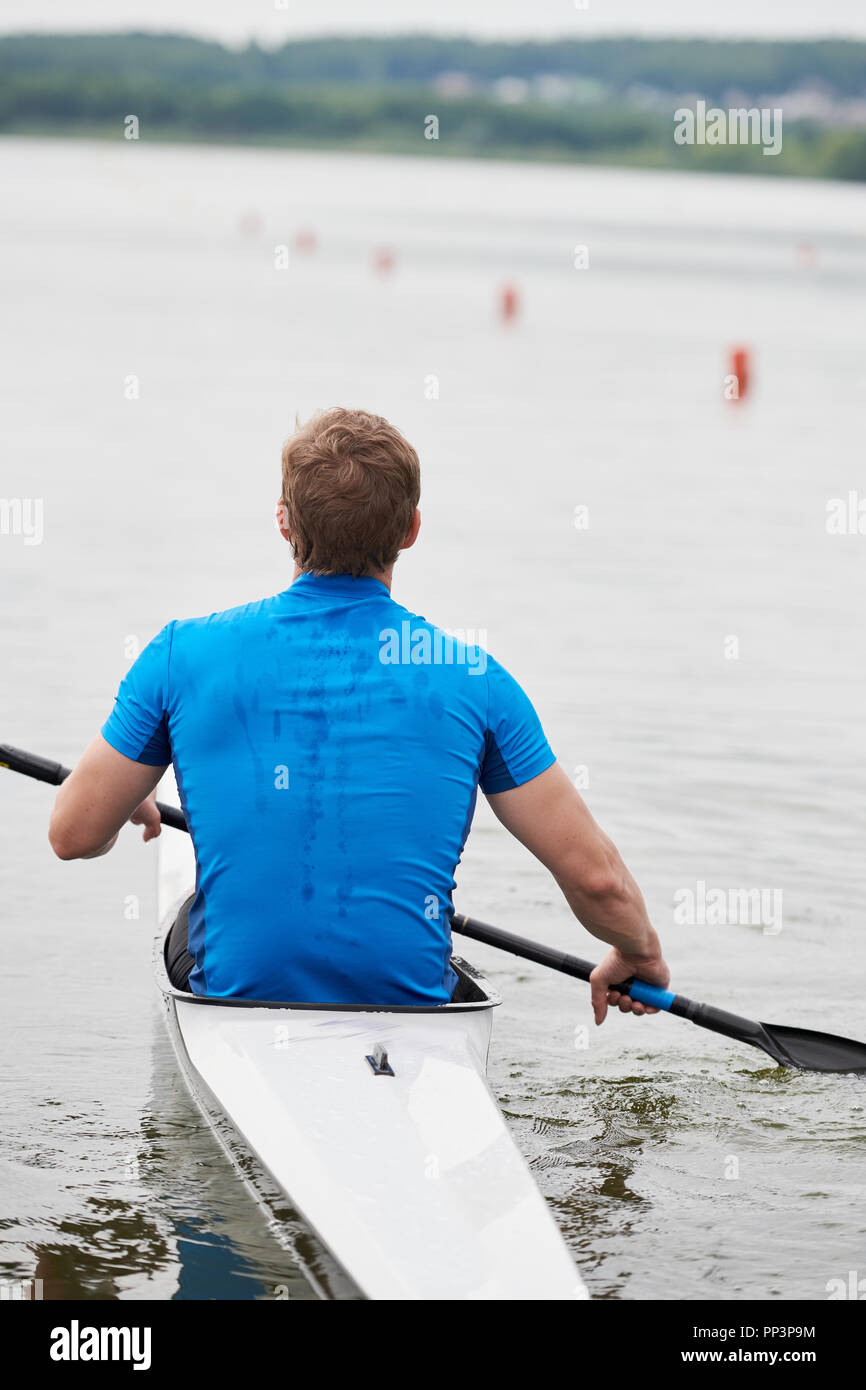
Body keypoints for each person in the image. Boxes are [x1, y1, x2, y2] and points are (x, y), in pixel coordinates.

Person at [49, 407, 669, 1019]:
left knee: (195, 907)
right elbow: (598, 881)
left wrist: (118, 803)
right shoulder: (479, 682)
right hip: (410, 1009)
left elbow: (72, 835)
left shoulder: (179, 654)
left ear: (285, 522)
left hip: (239, 996)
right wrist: (638, 952)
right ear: (411, 530)